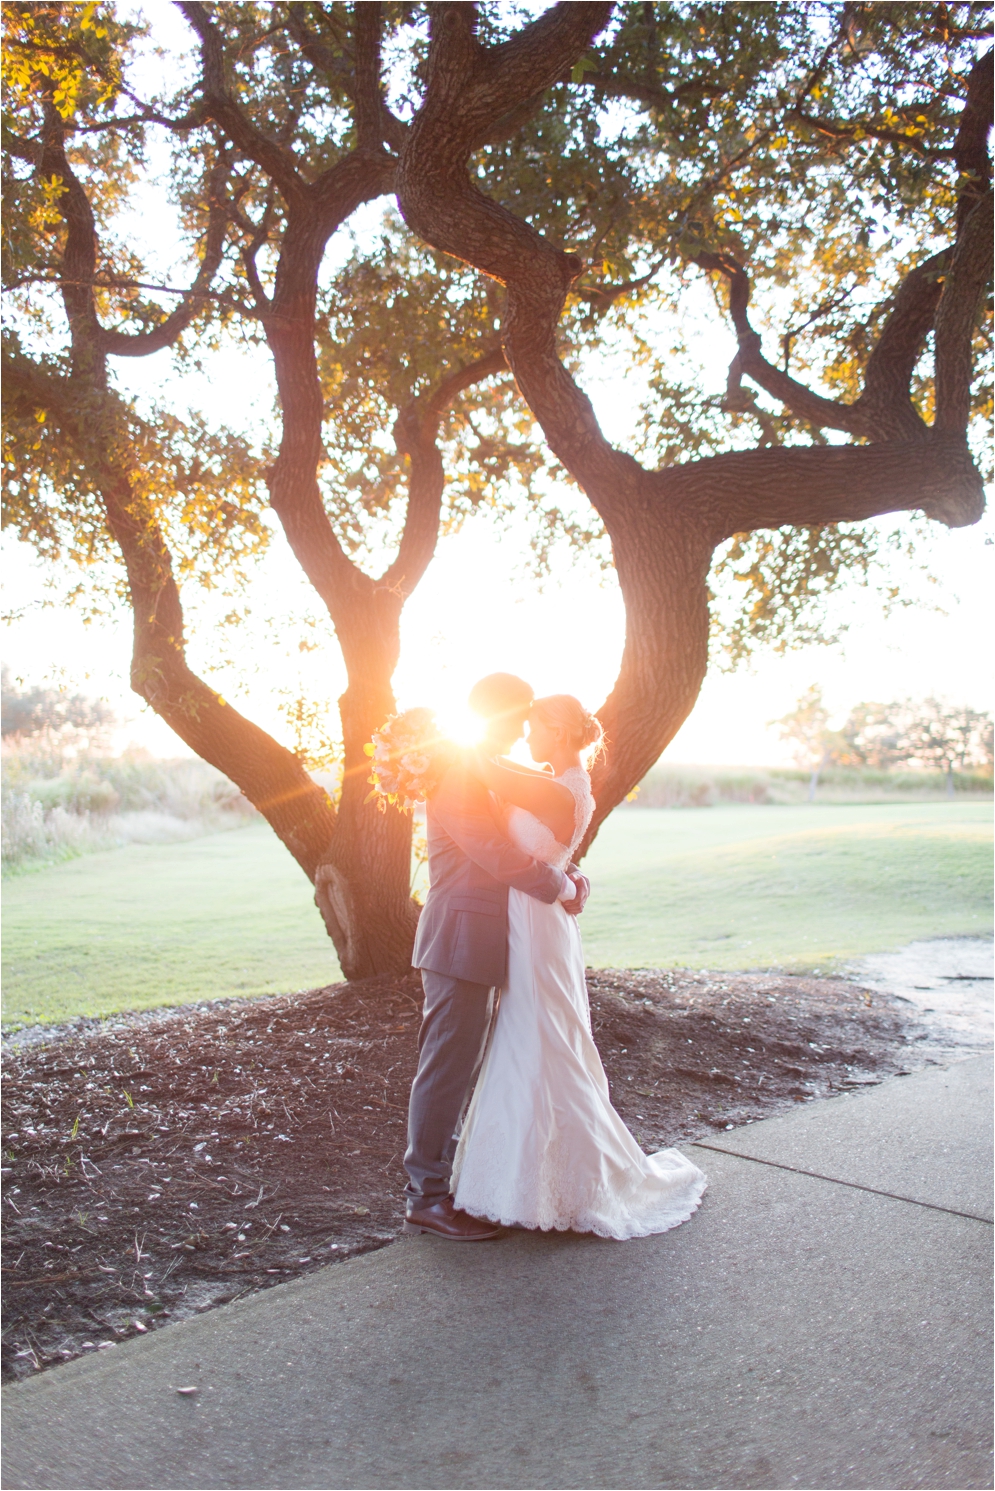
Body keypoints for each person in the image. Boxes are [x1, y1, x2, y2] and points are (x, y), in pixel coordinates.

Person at [451, 693, 707, 1237]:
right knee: (529, 1036)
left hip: (536, 922)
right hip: (533, 915)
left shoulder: (554, 788)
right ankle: (526, 1183)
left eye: (534, 726)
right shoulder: (557, 781)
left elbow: (478, 763)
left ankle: (560, 1187)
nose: (526, 735)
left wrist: (419, 745)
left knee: (542, 1039)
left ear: (561, 733)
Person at [403, 673, 591, 1241]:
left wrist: (571, 872)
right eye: (520, 715)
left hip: (496, 936)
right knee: (447, 1064)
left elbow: (531, 837)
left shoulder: (491, 767)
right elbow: (495, 854)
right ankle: (426, 1197)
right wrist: (561, 886)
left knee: (469, 1061)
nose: (524, 726)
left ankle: (469, 1182)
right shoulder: (457, 773)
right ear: (500, 715)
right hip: (460, 936)